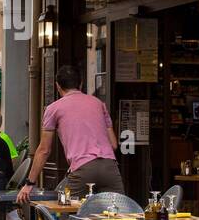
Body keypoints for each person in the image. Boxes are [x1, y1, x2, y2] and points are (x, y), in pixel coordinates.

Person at [16, 64, 124, 207]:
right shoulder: (98, 103)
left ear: (57, 86)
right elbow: (113, 144)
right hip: (110, 167)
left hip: (82, 168)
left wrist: (29, 183)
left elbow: (44, 150)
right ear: (81, 83)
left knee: (66, 218)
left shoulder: (53, 109)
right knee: (118, 218)